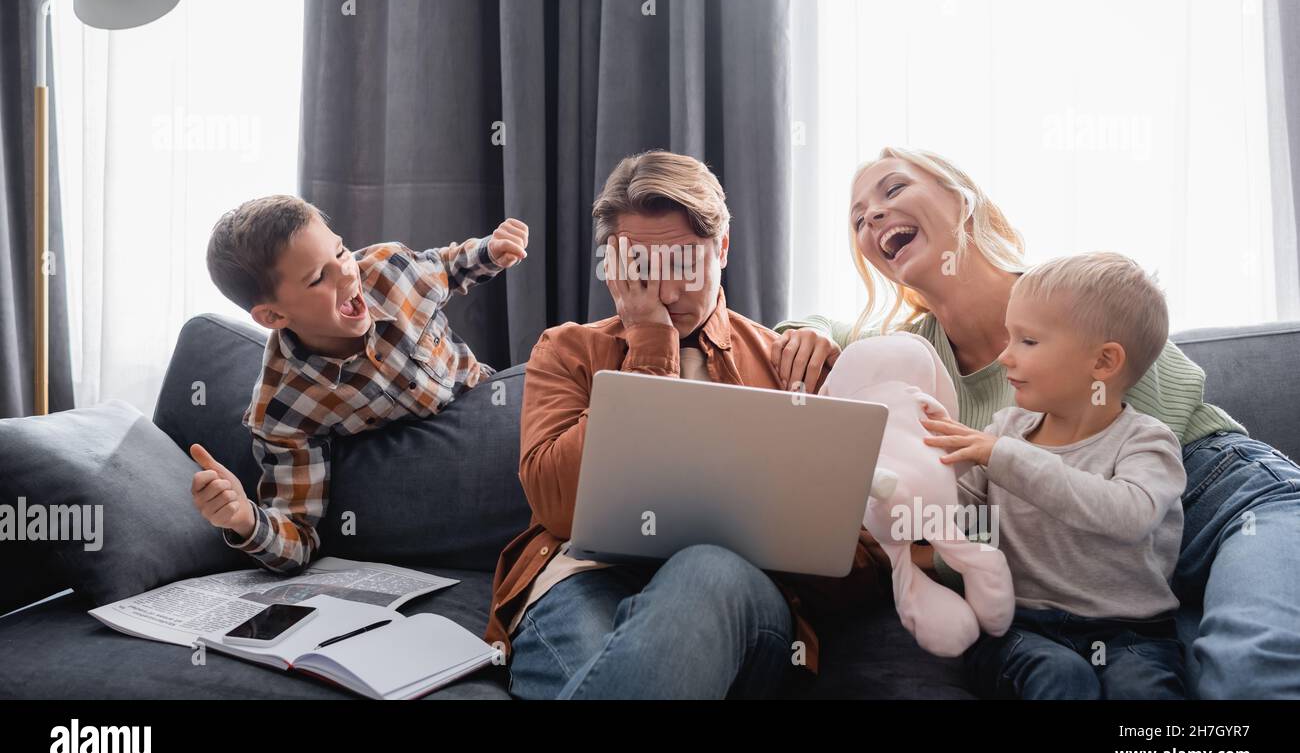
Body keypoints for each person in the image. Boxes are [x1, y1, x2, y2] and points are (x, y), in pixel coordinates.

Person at [774, 146, 1300, 698]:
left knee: (1250, 665)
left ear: (961, 199)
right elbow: (826, 334)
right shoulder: (910, 357)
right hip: (1103, 569)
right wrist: (809, 329)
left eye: (894, 190)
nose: (872, 217)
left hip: (1221, 496)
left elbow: (1153, 420)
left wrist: (1010, 480)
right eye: (857, 218)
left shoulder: (1063, 294)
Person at [485, 149, 896, 699]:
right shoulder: (568, 350)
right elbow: (558, 505)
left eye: (685, 265)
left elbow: (863, 565)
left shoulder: (785, 362)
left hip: (729, 594)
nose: (669, 294)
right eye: (645, 271)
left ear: (722, 248)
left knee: (704, 568)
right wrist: (650, 348)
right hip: (585, 579)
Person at [188, 193, 527, 573]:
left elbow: (446, 268)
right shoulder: (284, 408)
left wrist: (490, 251)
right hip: (431, 473)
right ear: (272, 315)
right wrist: (245, 521)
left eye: (341, 251)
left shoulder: (388, 270)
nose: (348, 273)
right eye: (318, 278)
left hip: (489, 405)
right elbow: (298, 540)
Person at [921, 252, 1186, 699]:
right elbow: (955, 514)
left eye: (1027, 341)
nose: (1004, 356)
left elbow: (1128, 515)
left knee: (1143, 692)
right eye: (1009, 337)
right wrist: (927, 463)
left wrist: (1001, 457)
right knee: (1060, 679)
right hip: (1022, 625)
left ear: (1102, 363)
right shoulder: (1004, 431)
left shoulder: (1146, 442)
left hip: (1134, 634)